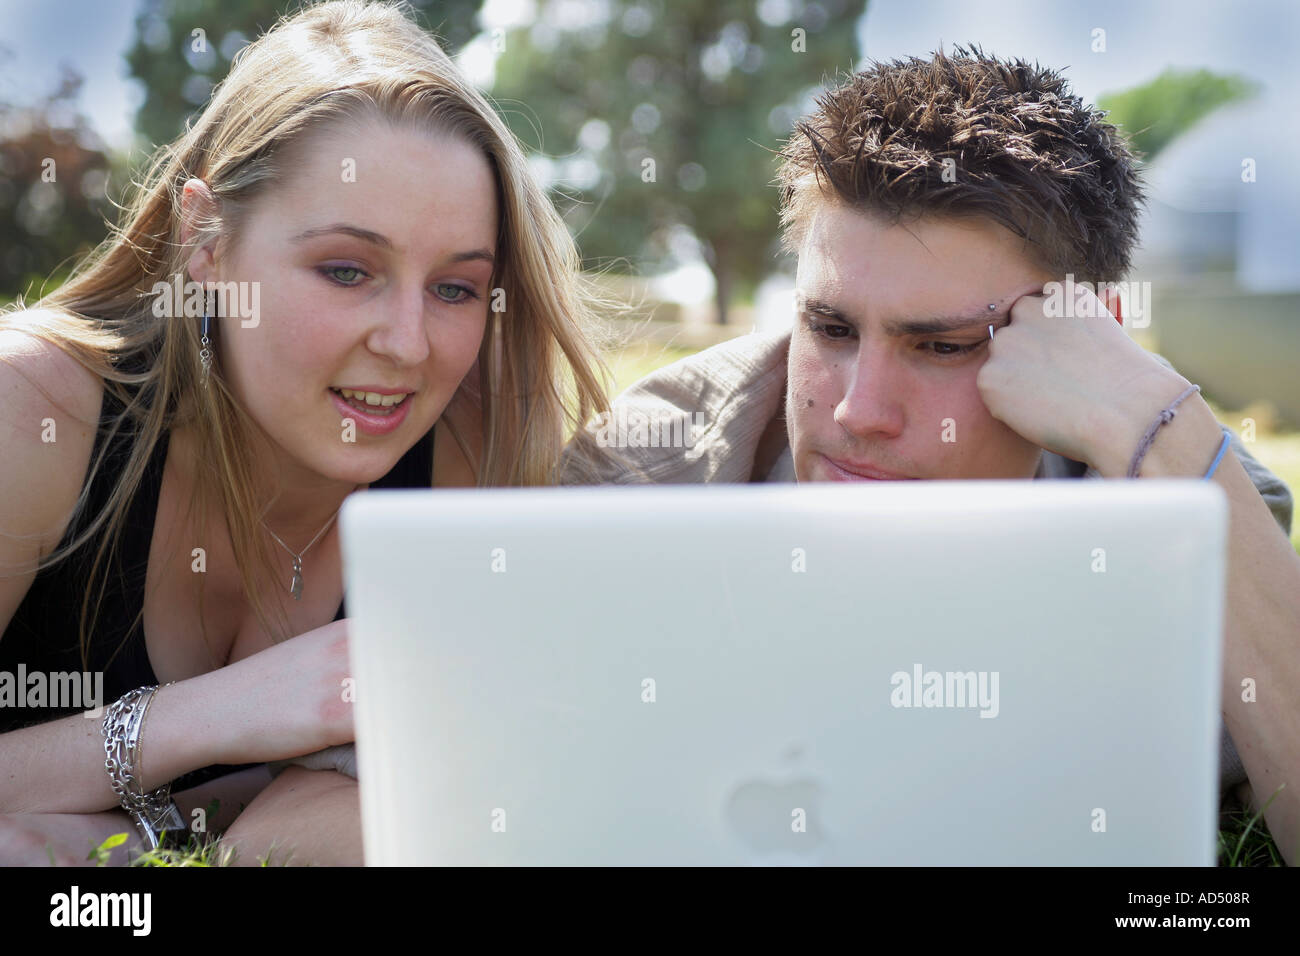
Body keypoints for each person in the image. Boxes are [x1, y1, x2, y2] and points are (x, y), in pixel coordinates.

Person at [564, 47, 1300, 864]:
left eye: (943, 346)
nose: (859, 411)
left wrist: (1169, 437)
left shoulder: (1198, 509)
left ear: (1089, 341)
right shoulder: (636, 476)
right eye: (831, 329)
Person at [0, 0, 610, 866]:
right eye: (347, 270)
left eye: (455, 288)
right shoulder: (33, 410)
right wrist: (216, 712)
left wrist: (145, 835)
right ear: (205, 243)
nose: (409, 345)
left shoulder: (475, 455)